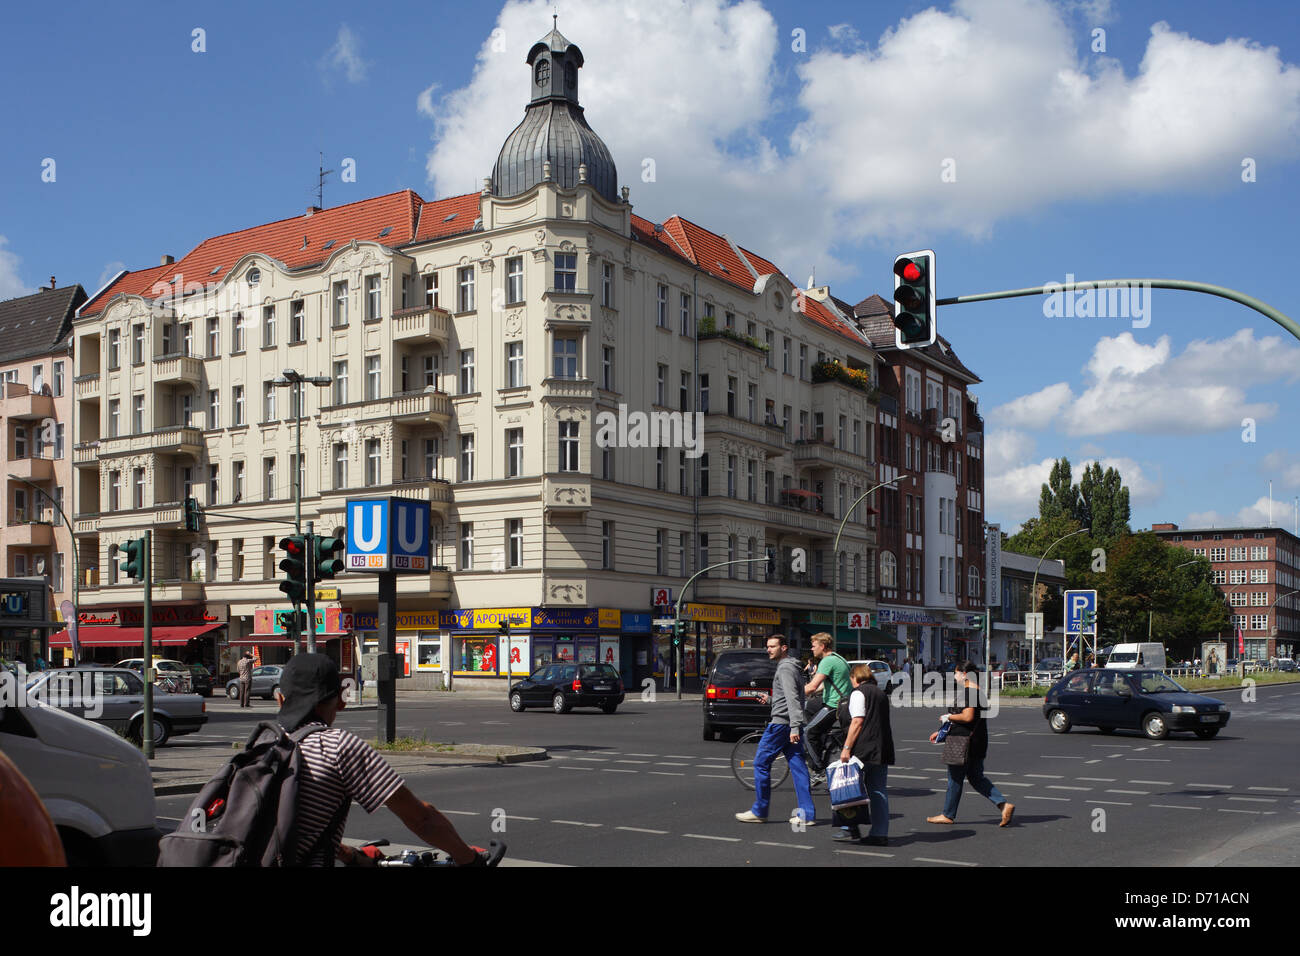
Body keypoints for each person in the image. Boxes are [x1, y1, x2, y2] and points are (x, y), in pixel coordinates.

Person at [272, 654, 487, 866]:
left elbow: (288, 829)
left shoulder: (263, 743)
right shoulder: (338, 747)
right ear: (341, 701)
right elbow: (422, 820)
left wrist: (349, 854)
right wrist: (469, 858)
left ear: (280, 700)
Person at [735, 634, 816, 826]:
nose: (768, 650)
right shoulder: (792, 667)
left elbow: (793, 698)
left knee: (760, 764)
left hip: (781, 725)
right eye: (768, 646)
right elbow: (793, 696)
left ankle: (760, 810)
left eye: (772, 646)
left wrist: (794, 726)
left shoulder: (786, 668)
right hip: (789, 723)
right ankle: (807, 814)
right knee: (798, 768)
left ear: (784, 648)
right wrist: (771, 701)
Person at [927, 661, 1014, 828]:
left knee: (955, 779)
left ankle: (947, 814)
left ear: (964, 674)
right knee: (976, 777)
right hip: (977, 741)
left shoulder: (970, 692)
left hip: (963, 743)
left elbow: (967, 717)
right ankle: (1003, 805)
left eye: (956, 672)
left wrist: (948, 717)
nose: (954, 676)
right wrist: (942, 731)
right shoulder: (977, 691)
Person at [833, 663, 894, 846]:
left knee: (848, 786)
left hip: (864, 748)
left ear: (854, 677)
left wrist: (846, 747)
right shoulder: (880, 693)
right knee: (878, 791)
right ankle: (880, 833)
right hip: (881, 747)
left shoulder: (859, 693)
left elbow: (857, 721)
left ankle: (849, 828)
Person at [803, 632, 851, 783]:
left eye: (814, 646)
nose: (812, 649)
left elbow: (811, 687)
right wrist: (810, 692)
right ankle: (820, 740)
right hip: (843, 701)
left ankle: (818, 771)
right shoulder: (838, 658)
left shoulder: (826, 661)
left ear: (822, 646)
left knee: (808, 732)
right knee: (808, 707)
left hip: (834, 705)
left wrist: (791, 693)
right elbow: (827, 684)